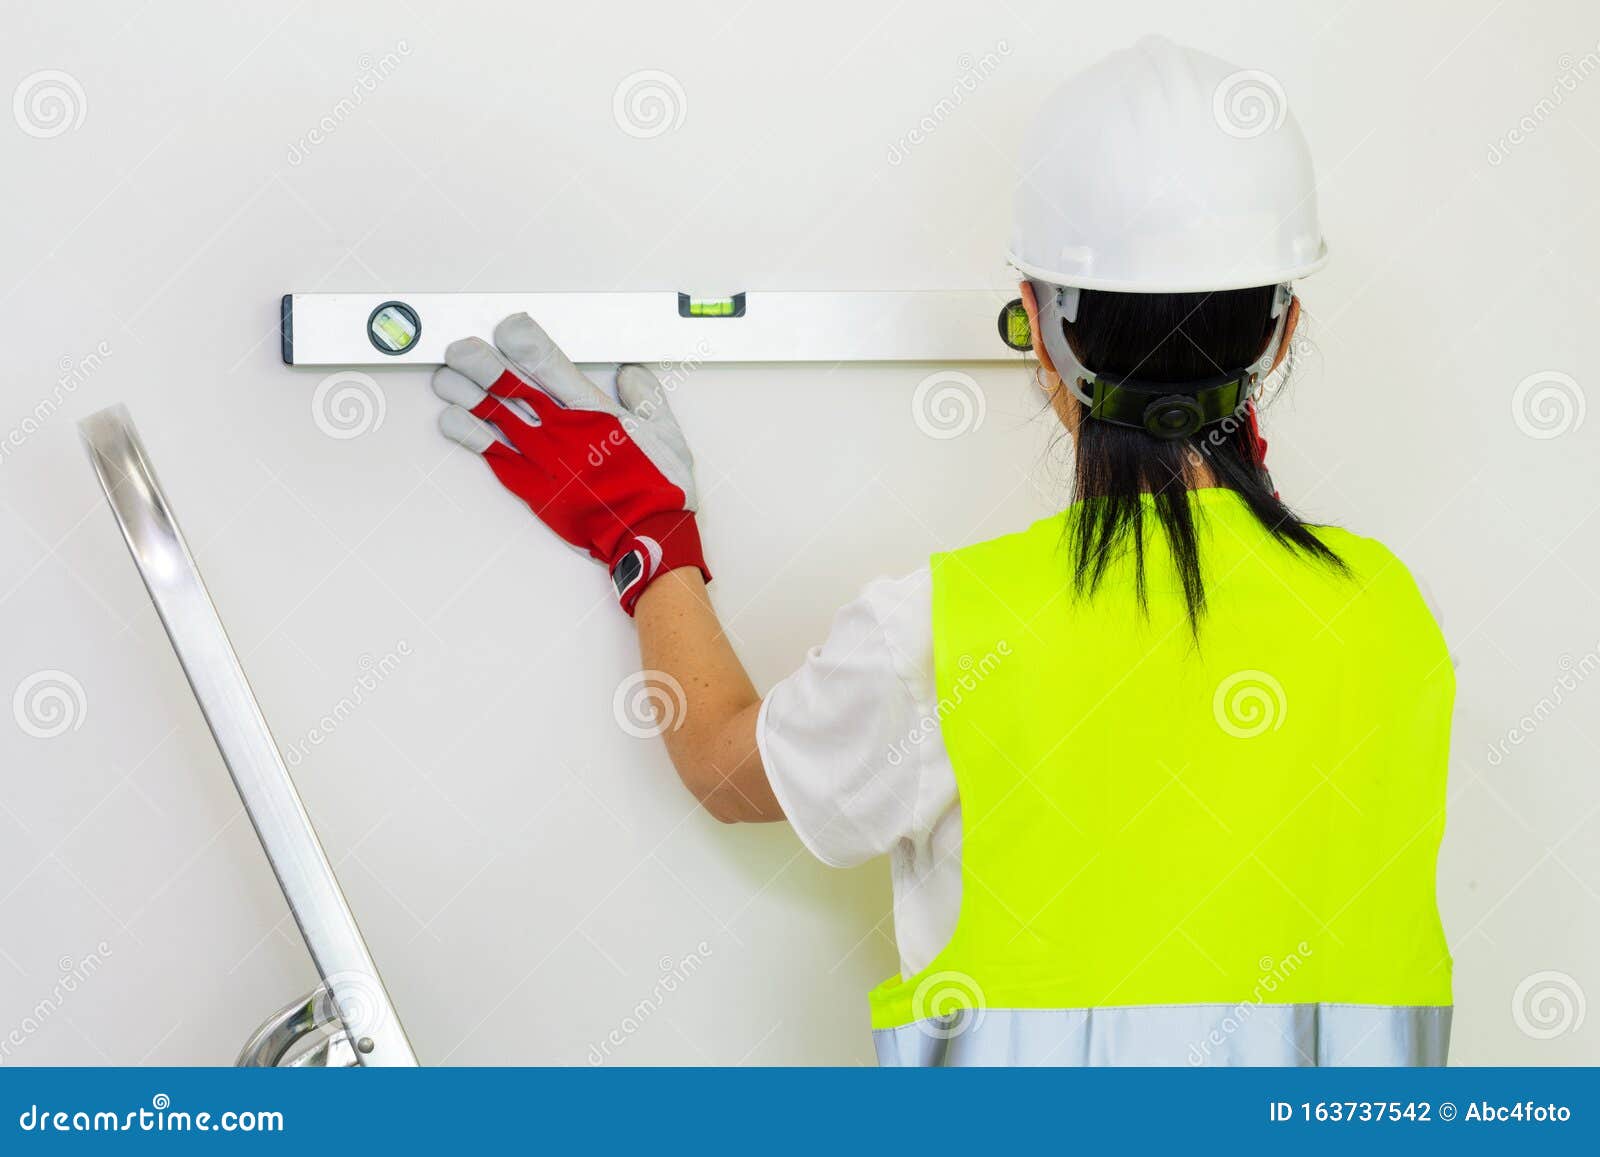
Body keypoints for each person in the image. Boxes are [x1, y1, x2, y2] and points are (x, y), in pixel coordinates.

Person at [431, 36, 1453, 1066]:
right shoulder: (1390, 613)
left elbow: (728, 771)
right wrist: (1223, 459)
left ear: (1041, 328)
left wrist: (644, 535)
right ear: (1281, 333)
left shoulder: (951, 628)